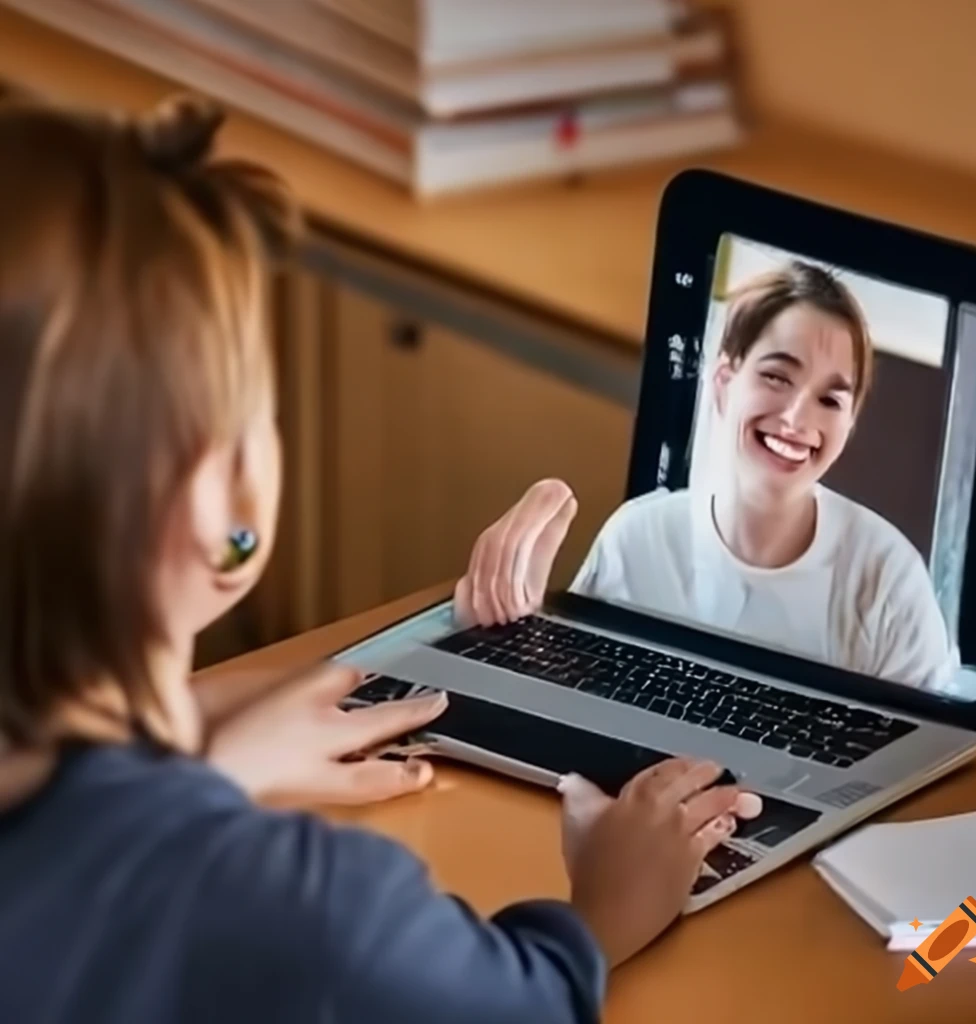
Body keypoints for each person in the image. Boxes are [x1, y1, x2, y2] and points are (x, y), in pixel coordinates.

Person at [0, 94, 762, 1024]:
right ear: (223, 508)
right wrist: (596, 918)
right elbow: (518, 1006)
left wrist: (192, 761)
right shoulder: (312, 912)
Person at [457, 262, 958, 693]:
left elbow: (931, 753)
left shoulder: (889, 580)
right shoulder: (637, 536)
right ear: (723, 383)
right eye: (776, 376)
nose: (795, 419)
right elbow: (576, 699)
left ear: (849, 425)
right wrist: (509, 636)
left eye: (830, 399)